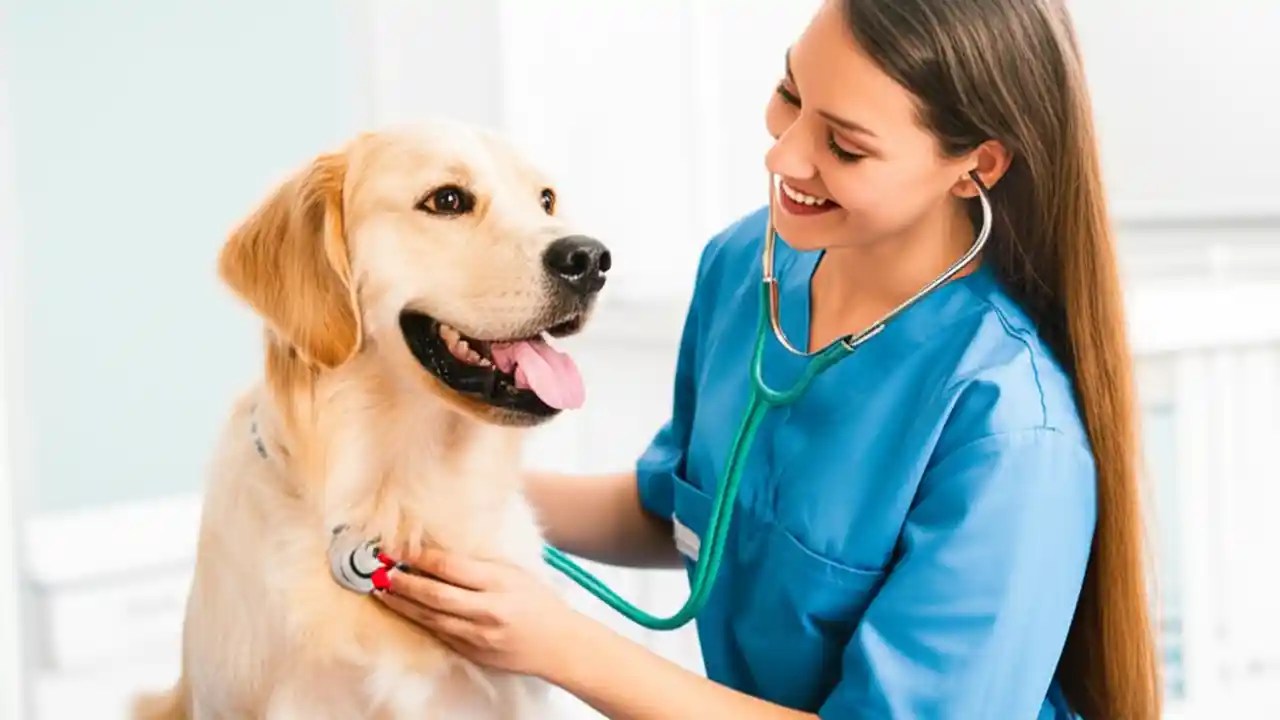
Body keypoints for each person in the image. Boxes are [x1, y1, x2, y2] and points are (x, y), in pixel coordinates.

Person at [375, 0, 1162, 717]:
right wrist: (427, 497)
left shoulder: (1010, 430)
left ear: (977, 167)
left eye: (844, 146)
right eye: (789, 95)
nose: (783, 157)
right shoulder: (748, 263)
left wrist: (562, 645)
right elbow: (684, 512)